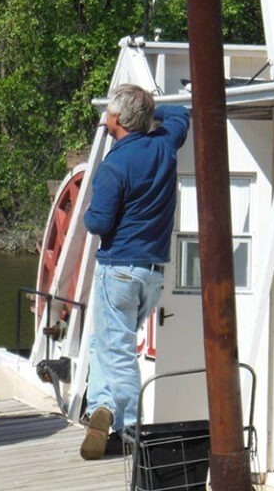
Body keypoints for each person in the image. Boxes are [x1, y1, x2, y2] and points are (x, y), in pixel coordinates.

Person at [80, 84, 191, 460]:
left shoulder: (114, 166)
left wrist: (86, 213)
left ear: (116, 120)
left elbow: (98, 222)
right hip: (152, 273)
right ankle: (100, 404)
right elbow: (180, 115)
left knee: (119, 349)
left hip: (119, 270)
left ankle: (129, 428)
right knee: (106, 342)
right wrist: (151, 114)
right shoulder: (164, 145)